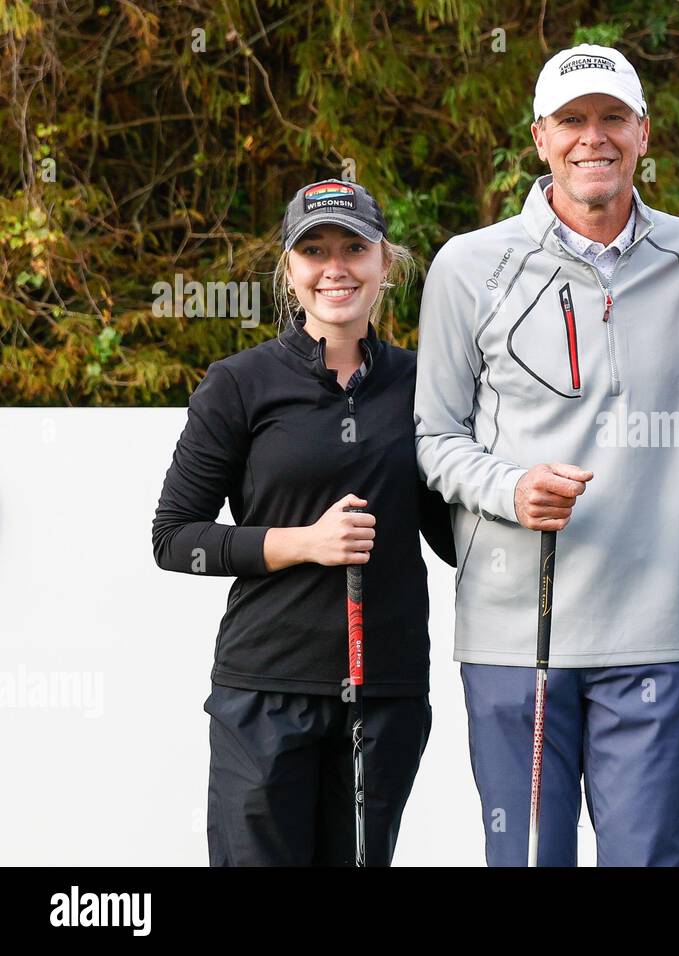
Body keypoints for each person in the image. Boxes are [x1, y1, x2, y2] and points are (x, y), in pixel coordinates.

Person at [414, 45, 679, 867]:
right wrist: (509, 486)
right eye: (571, 121)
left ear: (642, 133)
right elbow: (434, 436)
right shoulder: (468, 264)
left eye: (611, 119)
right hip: (513, 636)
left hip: (654, 632)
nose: (592, 138)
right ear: (540, 138)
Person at [152, 179, 455, 866]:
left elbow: (452, 534)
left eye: (354, 247)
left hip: (384, 693)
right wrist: (304, 544)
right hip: (264, 690)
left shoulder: (426, 382)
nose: (335, 267)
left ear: (385, 263)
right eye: (314, 251)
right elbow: (174, 537)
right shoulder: (239, 383)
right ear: (290, 271)